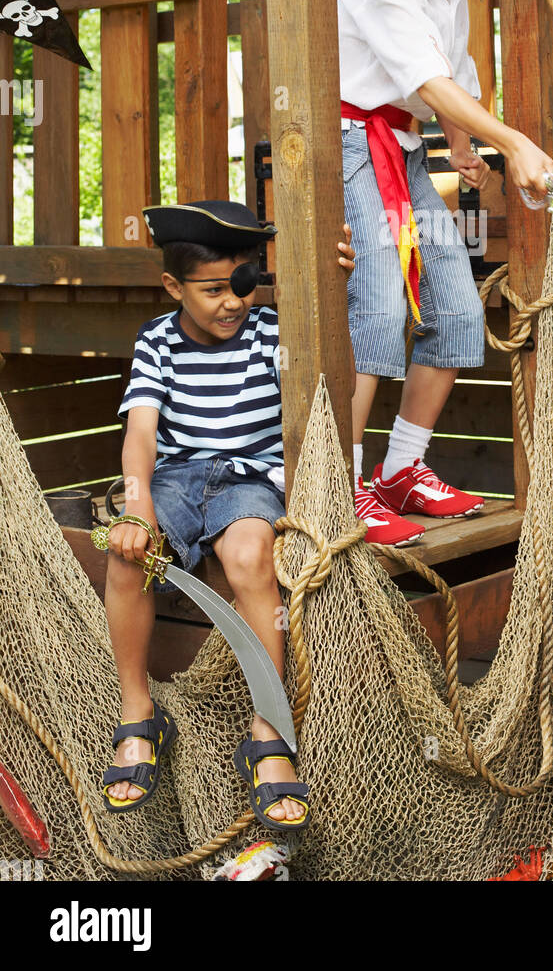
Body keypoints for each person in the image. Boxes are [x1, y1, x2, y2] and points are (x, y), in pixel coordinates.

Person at [101, 200, 355, 833]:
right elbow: (140, 435)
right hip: (179, 480)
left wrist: (337, 287)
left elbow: (334, 366)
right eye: (213, 290)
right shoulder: (158, 340)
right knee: (126, 554)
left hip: (250, 481)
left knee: (248, 556)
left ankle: (268, 729)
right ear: (172, 287)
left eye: (241, 283)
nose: (231, 302)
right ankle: (139, 711)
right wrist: (138, 510)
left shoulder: (272, 332)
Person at [340, 0, 553, 546]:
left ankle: (402, 471)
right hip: (353, 147)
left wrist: (463, 146)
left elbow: (450, 74)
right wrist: (515, 142)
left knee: (458, 313)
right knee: (375, 306)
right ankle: (338, 486)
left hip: (402, 149)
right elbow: (427, 85)